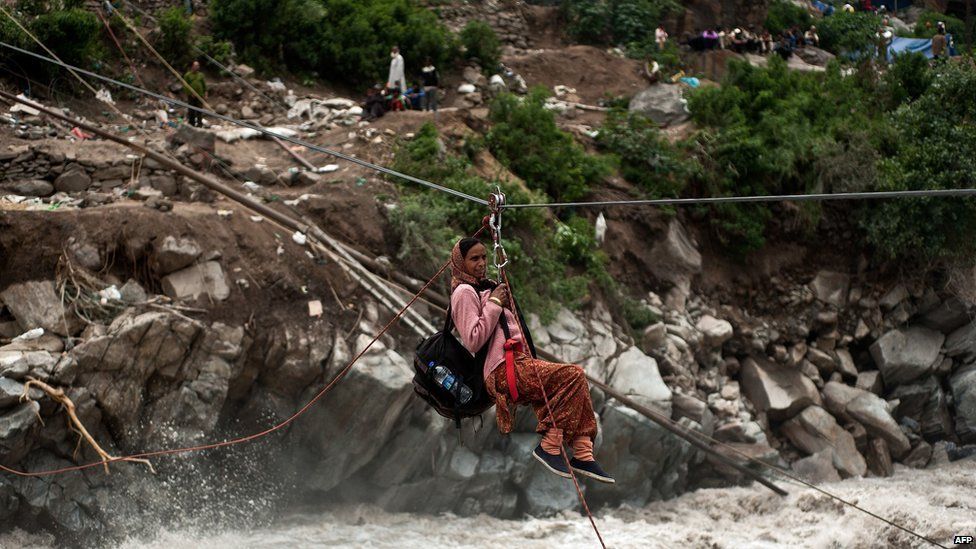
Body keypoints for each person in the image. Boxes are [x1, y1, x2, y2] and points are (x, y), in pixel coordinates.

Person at [449, 238, 615, 484]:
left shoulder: (486, 287)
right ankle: (550, 447)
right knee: (573, 375)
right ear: (461, 263)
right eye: (474, 259)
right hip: (501, 371)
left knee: (575, 381)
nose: (482, 263)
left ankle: (582, 452)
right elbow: (473, 339)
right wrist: (495, 303)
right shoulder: (463, 293)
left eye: (484, 257)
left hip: (517, 365)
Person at [183, 60, 206, 128]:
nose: (197, 67)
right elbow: (185, 86)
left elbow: (203, 84)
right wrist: (190, 93)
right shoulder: (187, 75)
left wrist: (205, 92)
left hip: (200, 95)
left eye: (198, 65)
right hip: (191, 96)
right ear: (192, 66)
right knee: (191, 110)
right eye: (196, 65)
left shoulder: (201, 75)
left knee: (200, 110)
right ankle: (191, 124)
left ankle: (199, 124)